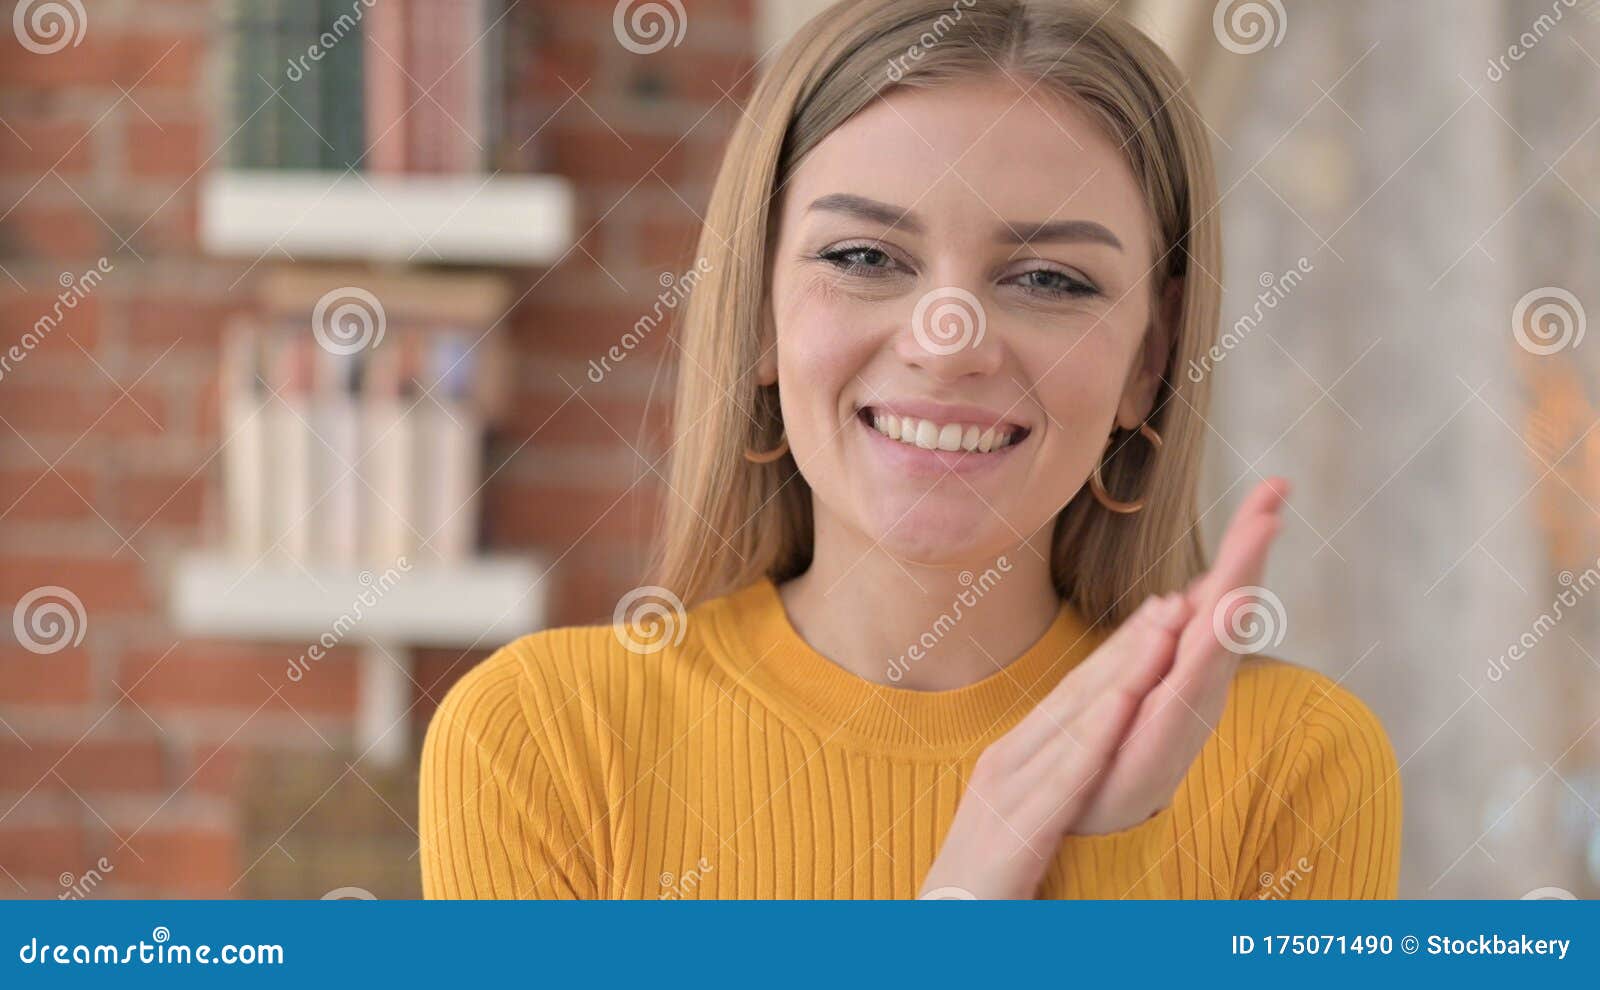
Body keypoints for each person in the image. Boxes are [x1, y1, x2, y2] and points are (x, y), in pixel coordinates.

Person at [419, 0, 1401, 899]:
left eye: (1050, 279)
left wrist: (1114, 837)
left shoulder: (1296, 760)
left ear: (1149, 360)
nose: (948, 341)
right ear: (757, 317)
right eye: (863, 259)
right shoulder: (541, 738)